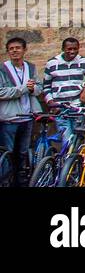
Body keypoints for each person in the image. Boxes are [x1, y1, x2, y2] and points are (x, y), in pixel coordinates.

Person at [0, 36, 40, 187]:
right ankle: (5, 182)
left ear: (24, 50)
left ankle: (20, 182)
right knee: (7, 154)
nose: (14, 51)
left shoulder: (31, 67)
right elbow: (1, 92)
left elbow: (38, 87)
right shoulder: (2, 69)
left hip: (27, 117)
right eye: (11, 49)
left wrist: (33, 88)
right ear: (8, 52)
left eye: (17, 48)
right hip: (8, 119)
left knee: (22, 153)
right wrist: (23, 89)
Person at [42, 37, 85, 145]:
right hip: (60, 108)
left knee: (78, 140)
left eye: (75, 49)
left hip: (77, 106)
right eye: (69, 49)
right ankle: (66, 161)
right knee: (66, 141)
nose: (72, 52)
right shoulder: (52, 63)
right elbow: (46, 86)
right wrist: (51, 103)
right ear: (63, 49)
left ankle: (77, 161)